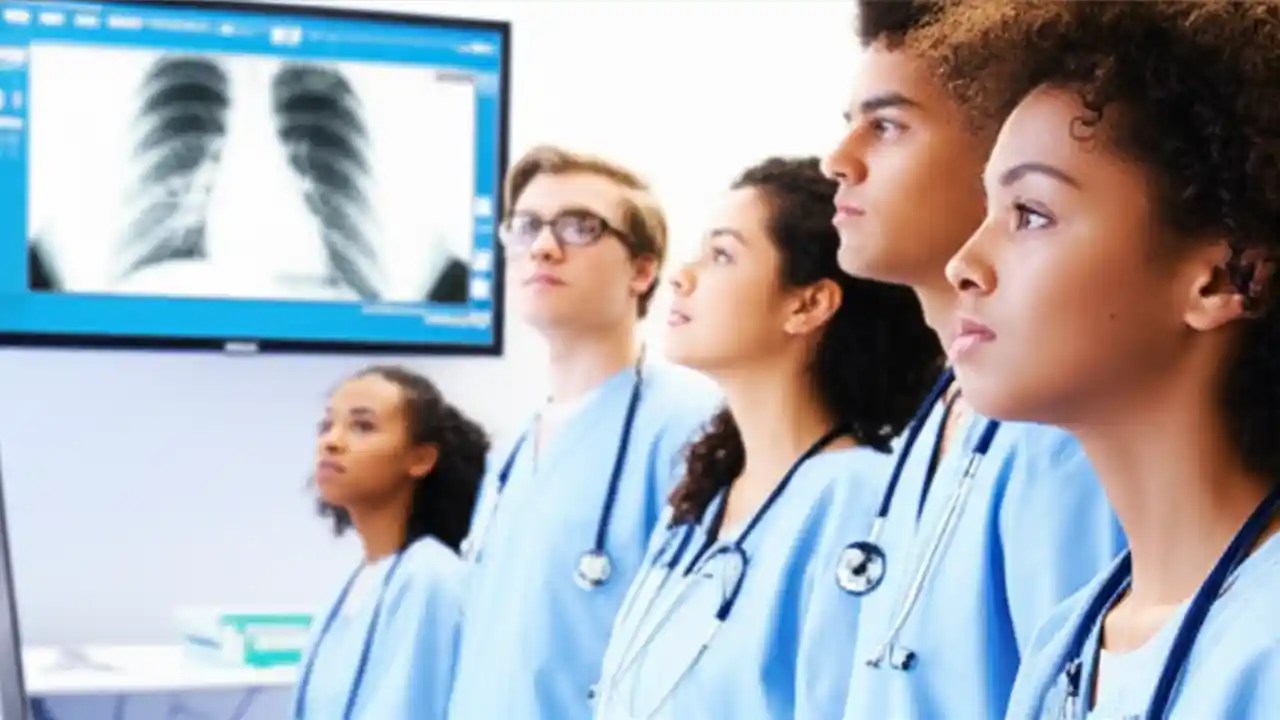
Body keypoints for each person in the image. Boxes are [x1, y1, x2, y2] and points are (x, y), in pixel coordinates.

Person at [914, 1, 1280, 717]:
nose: (963, 263)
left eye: (1031, 213)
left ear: (1226, 278)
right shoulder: (1066, 644)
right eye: (987, 210)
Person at [819, 2, 1127, 718]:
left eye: (887, 125)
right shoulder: (945, 411)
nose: (838, 160)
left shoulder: (1064, 438)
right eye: (848, 123)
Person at [592, 157, 941, 719]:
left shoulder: (856, 496)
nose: (681, 276)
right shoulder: (704, 498)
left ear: (807, 304)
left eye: (722, 255)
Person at [447, 146, 722, 720]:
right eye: (525, 227)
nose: (543, 247)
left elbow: (703, 657)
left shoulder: (690, 424)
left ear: (643, 270)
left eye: (580, 227)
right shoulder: (514, 451)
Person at [295, 365, 488, 720]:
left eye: (362, 426)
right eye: (327, 425)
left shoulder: (432, 580)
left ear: (420, 458)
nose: (331, 441)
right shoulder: (356, 582)